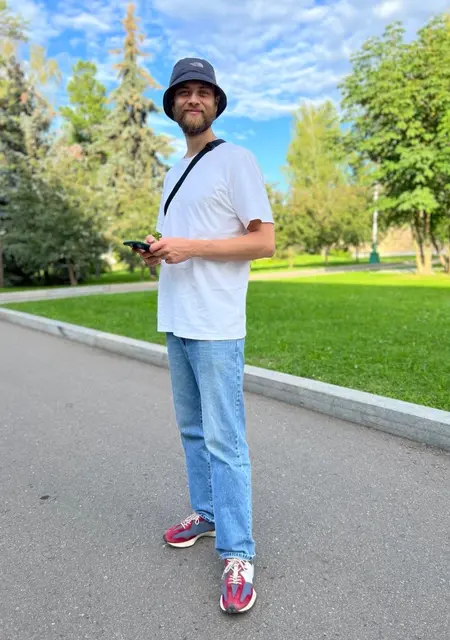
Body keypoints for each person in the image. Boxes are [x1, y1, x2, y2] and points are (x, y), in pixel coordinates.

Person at [137, 58, 275, 614]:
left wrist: (190, 247)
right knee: (193, 431)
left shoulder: (236, 160)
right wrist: (160, 251)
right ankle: (208, 513)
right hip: (177, 317)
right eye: (183, 92)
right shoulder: (174, 172)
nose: (193, 99)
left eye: (203, 91)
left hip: (216, 324)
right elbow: (183, 241)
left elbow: (263, 242)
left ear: (216, 103)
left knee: (225, 440)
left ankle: (238, 552)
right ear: (172, 105)